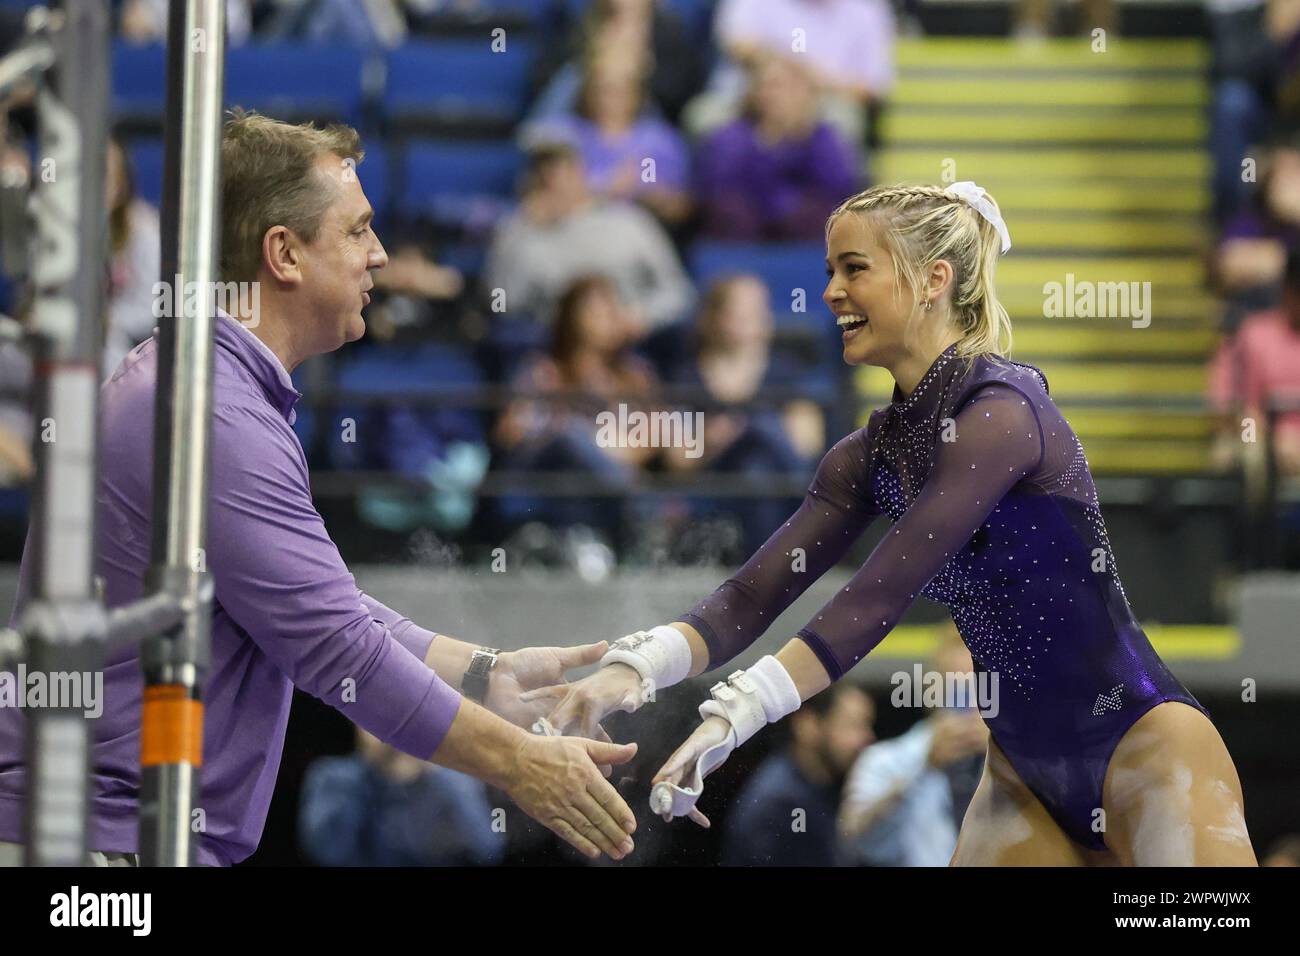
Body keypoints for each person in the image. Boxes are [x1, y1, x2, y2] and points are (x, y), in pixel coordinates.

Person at [533, 181, 1258, 866]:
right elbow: (751, 595)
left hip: (1139, 738)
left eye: (855, 269)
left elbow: (881, 592)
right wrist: (631, 671)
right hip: (1023, 772)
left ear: (934, 279)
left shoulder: (1004, 413)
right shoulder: (867, 456)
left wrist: (738, 714)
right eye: (829, 271)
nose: (831, 291)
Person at [0, 111, 638, 867]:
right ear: (284, 254)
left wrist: (483, 672)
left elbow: (320, 606)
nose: (380, 254)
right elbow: (339, 648)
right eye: (358, 230)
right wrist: (521, 763)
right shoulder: (212, 412)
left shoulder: (209, 386)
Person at [484, 142, 694, 330]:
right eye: (545, 179)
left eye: (564, 173)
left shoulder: (629, 221)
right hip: (554, 340)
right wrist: (517, 230)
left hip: (632, 334)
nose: (557, 185)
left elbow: (678, 290)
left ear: (581, 175)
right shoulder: (519, 232)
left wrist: (642, 316)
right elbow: (499, 305)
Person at [838, 625, 987, 867]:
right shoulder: (885, 759)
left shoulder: (1014, 760)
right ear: (931, 692)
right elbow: (856, 841)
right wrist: (924, 769)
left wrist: (1008, 756)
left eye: (978, 690)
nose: (968, 706)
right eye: (956, 691)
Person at [298, 728, 504, 867]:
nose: (386, 734)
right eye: (371, 722)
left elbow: (488, 848)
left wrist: (434, 769)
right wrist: (373, 772)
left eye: (395, 723)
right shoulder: (334, 776)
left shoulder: (447, 779)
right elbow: (327, 849)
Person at [721, 682, 873, 866]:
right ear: (808, 725)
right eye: (851, 725)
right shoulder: (781, 803)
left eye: (867, 725)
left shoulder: (820, 787)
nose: (866, 738)